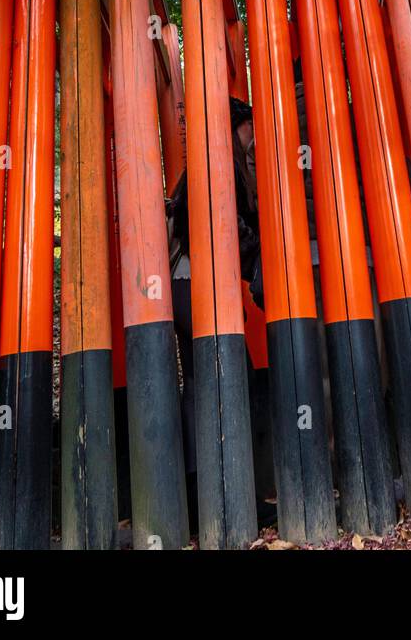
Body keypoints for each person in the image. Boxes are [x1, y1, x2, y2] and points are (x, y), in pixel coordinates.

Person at [166, 96, 271, 532]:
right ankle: (232, 493)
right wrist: (259, 268)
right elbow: (227, 230)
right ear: (235, 127)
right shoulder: (216, 169)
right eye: (247, 130)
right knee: (233, 381)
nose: (252, 141)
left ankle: (200, 498)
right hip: (196, 286)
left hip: (184, 285)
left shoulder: (205, 171)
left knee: (199, 387)